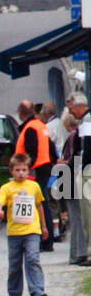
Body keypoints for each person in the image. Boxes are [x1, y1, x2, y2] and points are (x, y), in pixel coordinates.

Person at [0, 153, 48, 296]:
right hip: (14, 232)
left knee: (32, 258)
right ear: (11, 171)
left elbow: (39, 206)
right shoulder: (7, 188)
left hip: (32, 230)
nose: (21, 173)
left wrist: (43, 226)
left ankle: (37, 291)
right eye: (17, 170)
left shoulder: (34, 186)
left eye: (24, 170)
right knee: (15, 264)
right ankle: (14, 294)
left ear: (28, 171)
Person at [14, 101, 55, 251]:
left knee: (40, 205)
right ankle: (47, 239)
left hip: (36, 169)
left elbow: (32, 152)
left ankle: (45, 240)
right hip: (45, 166)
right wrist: (54, 161)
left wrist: (23, 170)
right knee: (43, 203)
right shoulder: (40, 125)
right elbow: (51, 146)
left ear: (20, 113)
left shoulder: (30, 128)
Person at [56, 111, 89, 265]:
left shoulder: (73, 136)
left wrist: (63, 164)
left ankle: (78, 252)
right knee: (76, 218)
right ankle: (76, 252)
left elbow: (73, 159)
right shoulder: (78, 136)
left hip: (70, 180)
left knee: (76, 218)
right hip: (72, 180)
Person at [66, 92, 91, 261]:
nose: (71, 113)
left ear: (79, 105)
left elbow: (87, 147)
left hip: (87, 172)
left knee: (87, 213)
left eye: (71, 108)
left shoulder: (87, 121)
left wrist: (82, 170)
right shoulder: (85, 120)